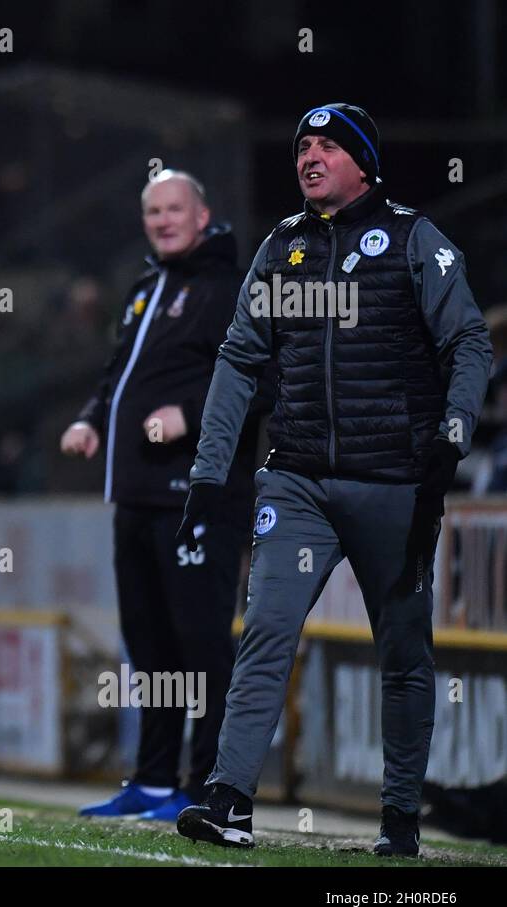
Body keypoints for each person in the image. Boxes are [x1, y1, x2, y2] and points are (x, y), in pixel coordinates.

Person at [175, 104, 493, 856]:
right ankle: (230, 801)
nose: (309, 158)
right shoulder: (282, 248)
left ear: (362, 161)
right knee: (266, 634)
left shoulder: (415, 240)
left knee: (406, 653)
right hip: (298, 482)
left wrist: (450, 443)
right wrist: (210, 470)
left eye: (327, 146)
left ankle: (400, 821)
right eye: (302, 147)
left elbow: (470, 343)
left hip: (395, 485)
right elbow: (239, 358)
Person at [61, 170, 262, 822]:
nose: (164, 219)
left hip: (199, 498)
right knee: (148, 645)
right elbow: (120, 373)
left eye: (176, 208)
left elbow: (260, 376)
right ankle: (153, 781)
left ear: (203, 215)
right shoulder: (149, 286)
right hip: (138, 496)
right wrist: (93, 417)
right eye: (153, 210)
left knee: (201, 644)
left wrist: (190, 414)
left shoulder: (230, 289)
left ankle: (210, 788)